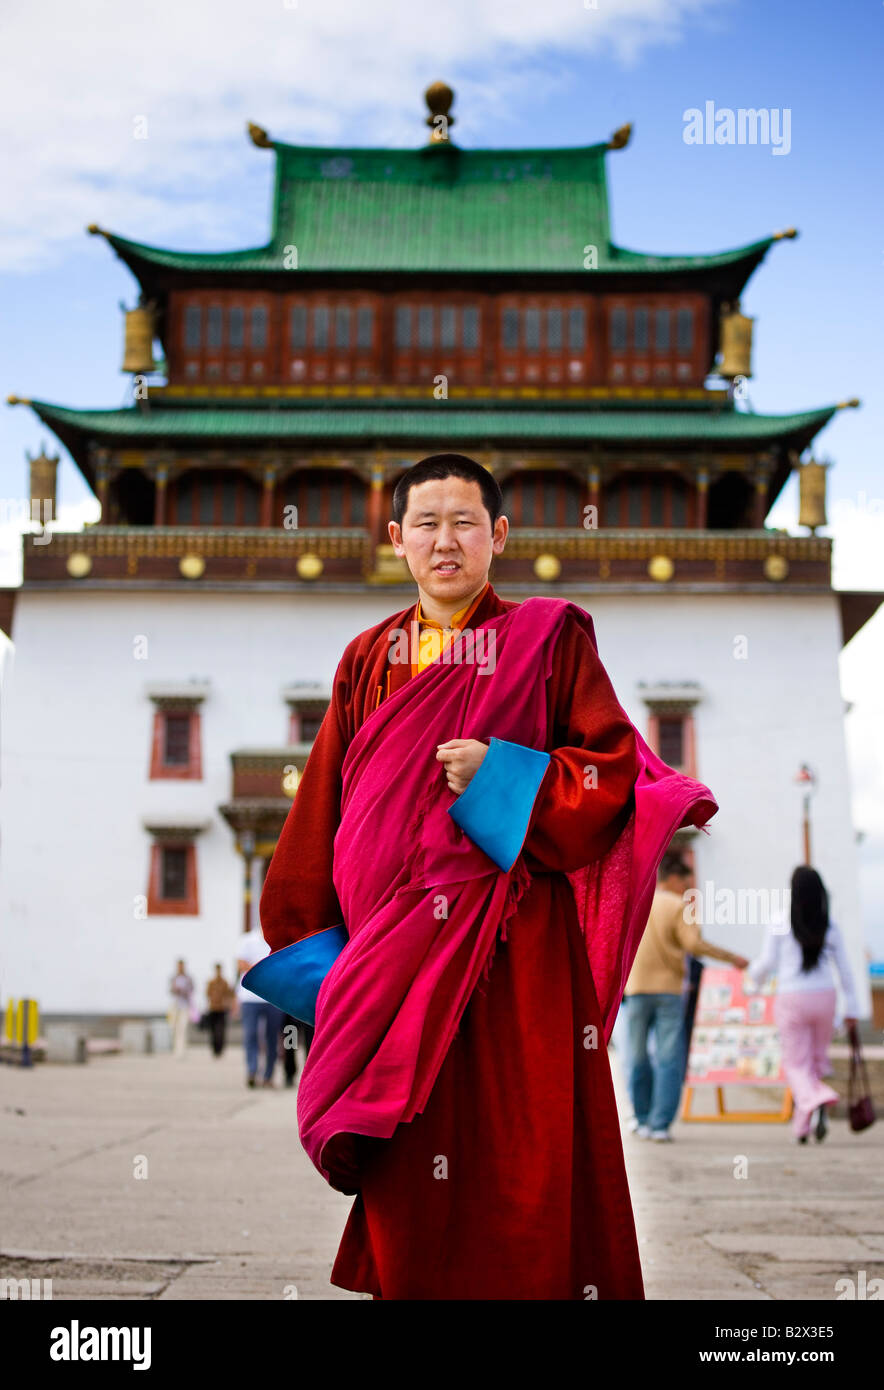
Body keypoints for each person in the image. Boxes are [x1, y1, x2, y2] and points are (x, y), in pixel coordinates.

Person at [259, 453, 719, 1300]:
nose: (446, 542)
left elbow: (610, 771)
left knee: (525, 1139)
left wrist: (507, 776)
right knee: (408, 1140)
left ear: (498, 536)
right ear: (397, 540)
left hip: (514, 948)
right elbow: (323, 806)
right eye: (426, 524)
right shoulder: (368, 658)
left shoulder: (548, 640)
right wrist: (313, 948)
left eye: (465, 523)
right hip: (391, 952)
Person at [623, 854, 749, 1141]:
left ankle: (640, 1118)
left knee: (638, 1055)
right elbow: (692, 943)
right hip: (668, 990)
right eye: (687, 883)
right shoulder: (680, 906)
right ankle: (659, 1125)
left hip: (636, 988)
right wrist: (730, 958)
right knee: (669, 1058)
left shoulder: (639, 901)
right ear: (675, 879)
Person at [744, 865, 858, 1144]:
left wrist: (753, 982)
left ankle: (817, 1096)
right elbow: (845, 970)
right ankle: (803, 1127)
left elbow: (767, 963)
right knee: (816, 1059)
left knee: (795, 1063)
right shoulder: (830, 925)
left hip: (792, 998)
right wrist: (852, 1009)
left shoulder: (779, 921)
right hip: (825, 997)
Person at [236, 926, 284, 1089]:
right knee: (251, 1035)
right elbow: (241, 963)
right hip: (250, 997)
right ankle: (252, 1070)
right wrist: (265, 975)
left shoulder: (279, 938)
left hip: (273, 997)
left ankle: (268, 1076)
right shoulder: (248, 940)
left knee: (272, 1038)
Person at [168, 959, 194, 1060]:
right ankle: (175, 1049)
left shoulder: (188, 979)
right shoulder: (173, 978)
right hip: (175, 1006)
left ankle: (182, 1050)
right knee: (174, 1028)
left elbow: (192, 990)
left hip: (185, 1006)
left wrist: (184, 991)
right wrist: (175, 989)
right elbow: (170, 991)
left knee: (183, 1028)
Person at [205, 963, 233, 1057]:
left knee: (221, 1030)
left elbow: (229, 994)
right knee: (213, 1030)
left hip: (222, 1008)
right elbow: (207, 994)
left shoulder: (225, 982)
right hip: (213, 1008)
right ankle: (214, 1049)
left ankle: (220, 1049)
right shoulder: (211, 982)